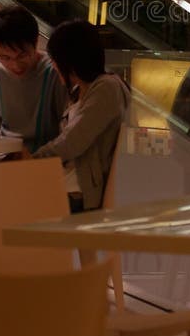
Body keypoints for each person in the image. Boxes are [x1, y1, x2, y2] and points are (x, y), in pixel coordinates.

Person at [32, 20, 127, 212]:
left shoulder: (107, 87)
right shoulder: (80, 91)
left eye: (55, 59)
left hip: (79, 193)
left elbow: (74, 140)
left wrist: (34, 159)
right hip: (67, 186)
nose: (54, 66)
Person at [0, 5, 68, 162]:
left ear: (35, 43)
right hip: (1, 154)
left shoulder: (53, 71)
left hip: (38, 158)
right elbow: (0, 118)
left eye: (22, 55)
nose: (15, 65)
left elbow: (65, 127)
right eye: (5, 58)